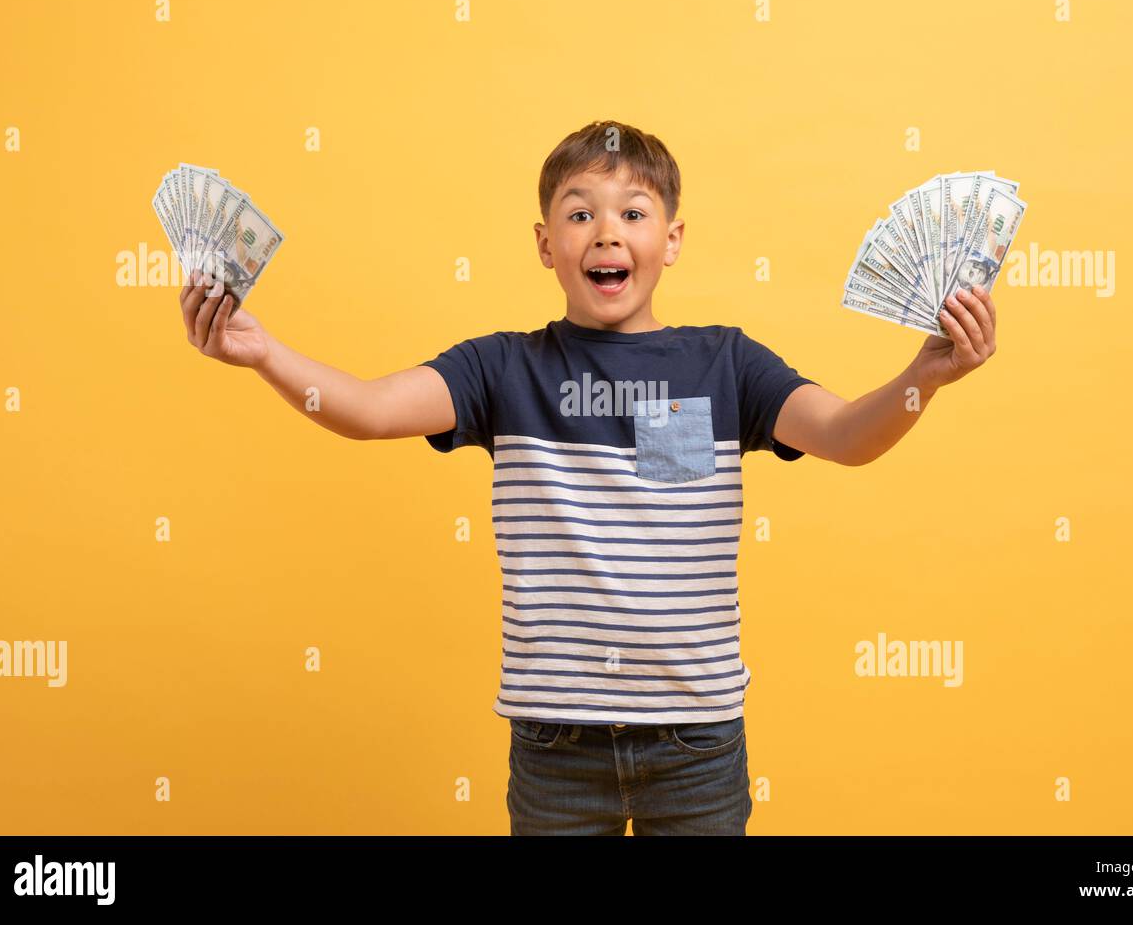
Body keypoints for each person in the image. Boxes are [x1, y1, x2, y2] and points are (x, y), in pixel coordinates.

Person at [177, 120, 998, 835]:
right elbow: (362, 408)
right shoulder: (501, 369)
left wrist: (927, 374)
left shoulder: (727, 365)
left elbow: (849, 436)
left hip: (698, 741)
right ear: (545, 244)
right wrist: (260, 352)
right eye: (580, 215)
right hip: (554, 744)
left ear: (671, 240)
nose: (607, 234)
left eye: (633, 214)